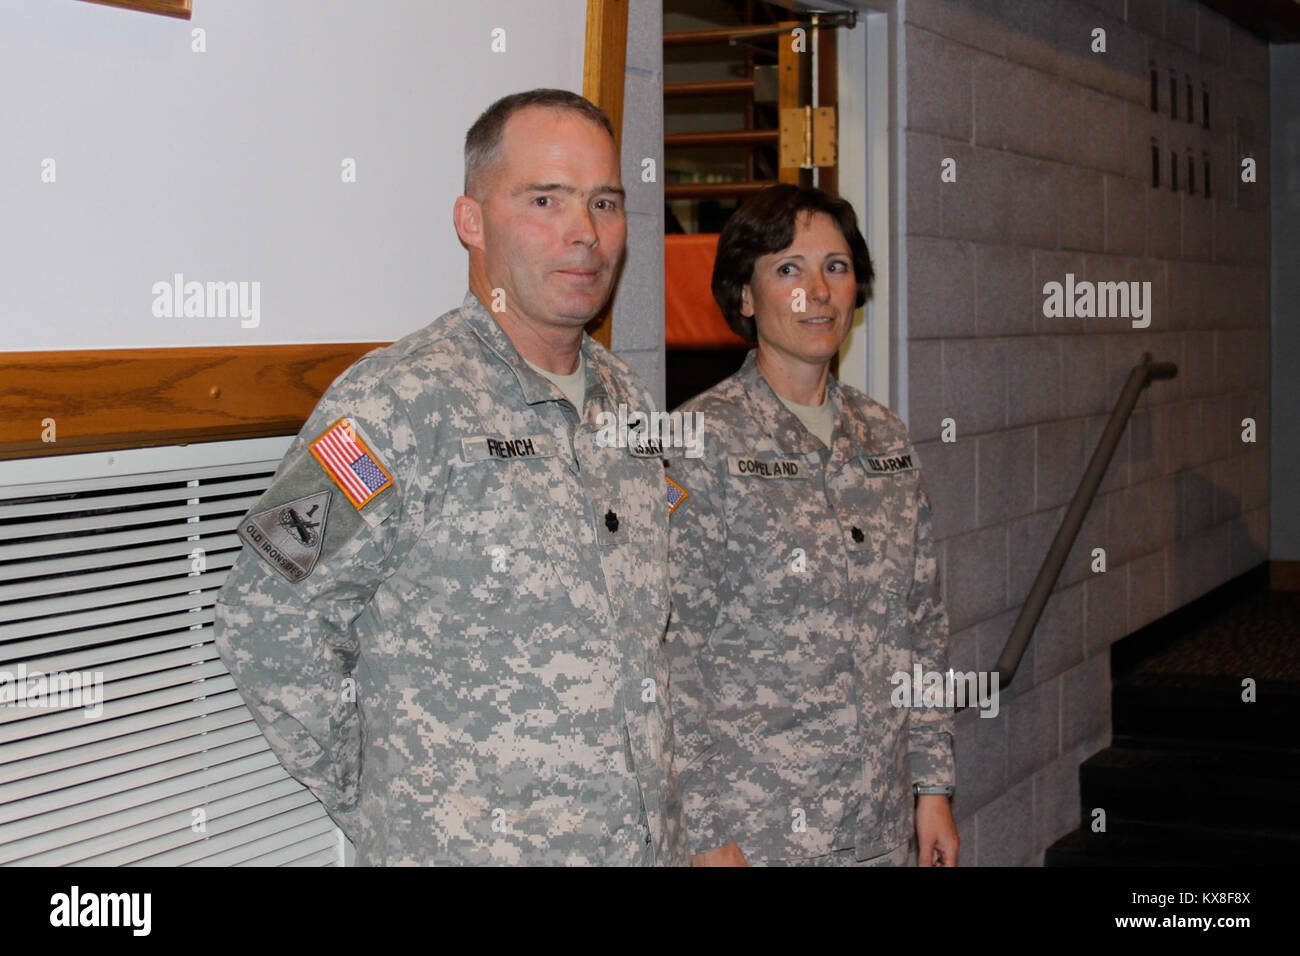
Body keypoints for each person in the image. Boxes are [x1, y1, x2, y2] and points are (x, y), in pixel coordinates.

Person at [214, 89, 688, 866]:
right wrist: (393, 806)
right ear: (472, 221)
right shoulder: (394, 403)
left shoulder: (628, 402)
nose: (585, 233)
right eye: (546, 199)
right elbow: (265, 610)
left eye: (605, 203)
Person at [663, 184, 959, 866]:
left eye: (835, 266)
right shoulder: (697, 444)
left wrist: (933, 786)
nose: (817, 292)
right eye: (788, 269)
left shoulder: (884, 438)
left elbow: (923, 624)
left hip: (880, 828)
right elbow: (673, 658)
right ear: (745, 295)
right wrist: (707, 837)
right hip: (759, 837)